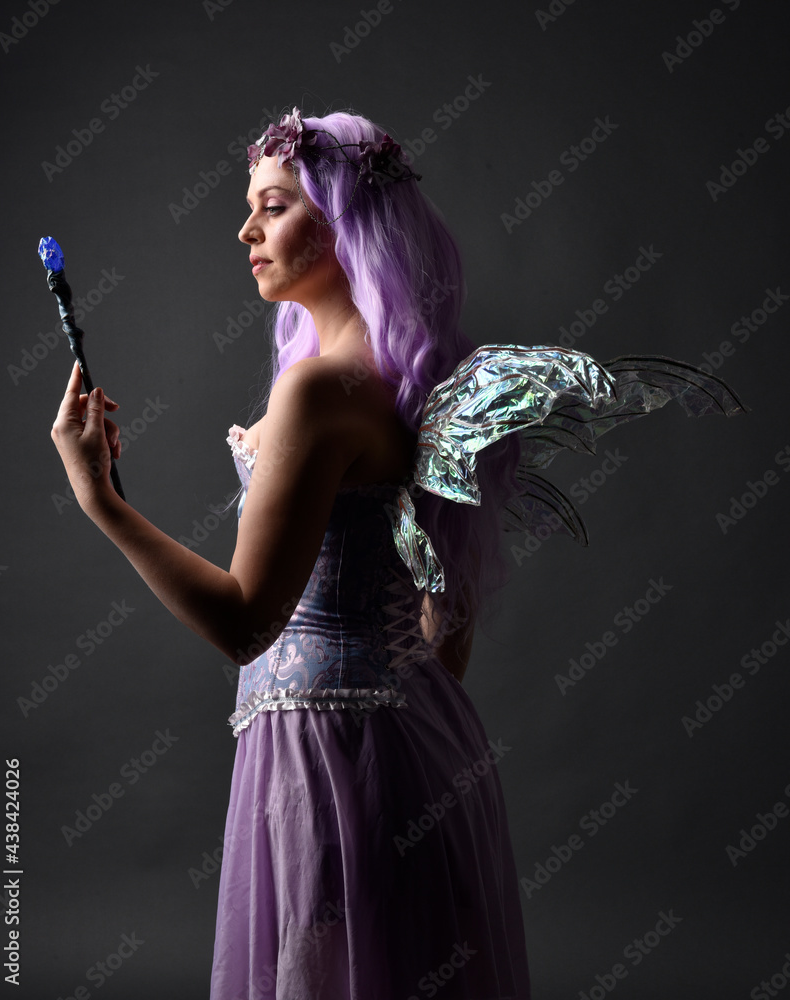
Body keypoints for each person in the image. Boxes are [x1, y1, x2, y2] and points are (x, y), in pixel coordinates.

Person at [51, 107, 744, 1000]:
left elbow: (245, 624)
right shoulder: (407, 374)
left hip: (329, 753)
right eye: (249, 207)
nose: (246, 229)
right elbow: (441, 624)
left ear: (341, 225)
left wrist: (99, 499)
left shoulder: (314, 391)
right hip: (410, 741)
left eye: (272, 206)